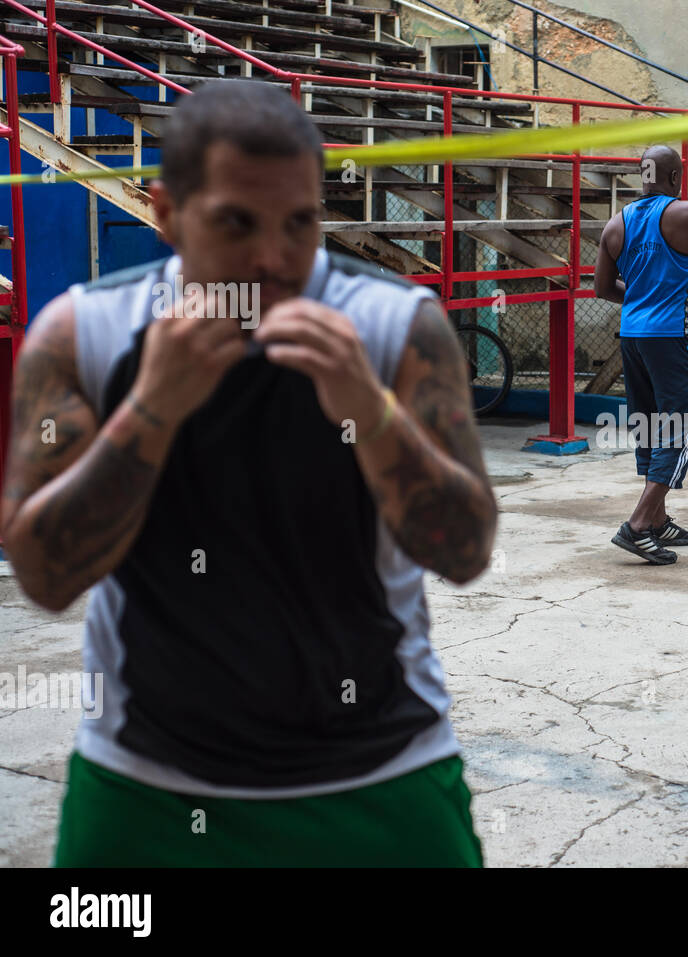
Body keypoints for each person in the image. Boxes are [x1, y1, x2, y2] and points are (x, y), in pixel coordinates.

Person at [0, 80, 498, 866]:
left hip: (382, 777)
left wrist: (368, 412)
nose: (273, 259)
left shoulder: (393, 324)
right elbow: (44, 575)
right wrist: (152, 410)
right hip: (148, 787)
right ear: (165, 213)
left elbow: (466, 551)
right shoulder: (83, 332)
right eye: (237, 224)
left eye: (300, 225)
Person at [594, 145, 688, 564]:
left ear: (642, 175)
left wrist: (642, 297)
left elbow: (602, 289)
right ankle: (638, 525)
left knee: (650, 425)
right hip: (671, 337)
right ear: (676, 176)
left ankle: (657, 520)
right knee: (678, 428)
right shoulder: (685, 214)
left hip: (633, 336)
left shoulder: (615, 224)